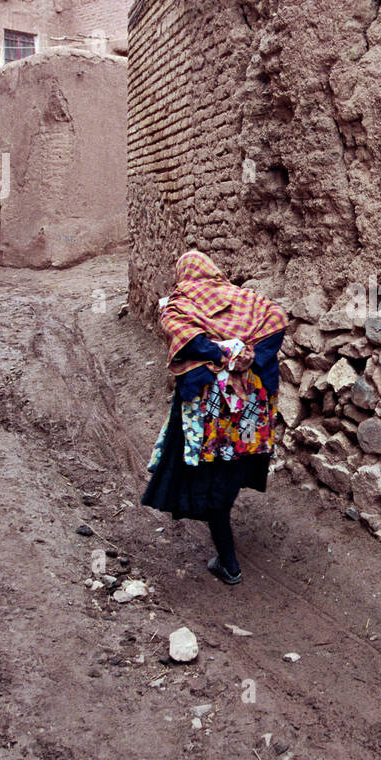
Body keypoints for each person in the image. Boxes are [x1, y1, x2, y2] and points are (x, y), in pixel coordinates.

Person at [141, 251, 287, 585]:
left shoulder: (180, 304)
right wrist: (249, 357)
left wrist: (218, 354)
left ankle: (228, 562)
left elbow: (184, 337)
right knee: (239, 456)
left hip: (211, 409)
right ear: (214, 270)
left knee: (211, 467)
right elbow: (277, 319)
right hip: (251, 406)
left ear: (185, 275)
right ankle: (223, 507)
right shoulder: (247, 299)